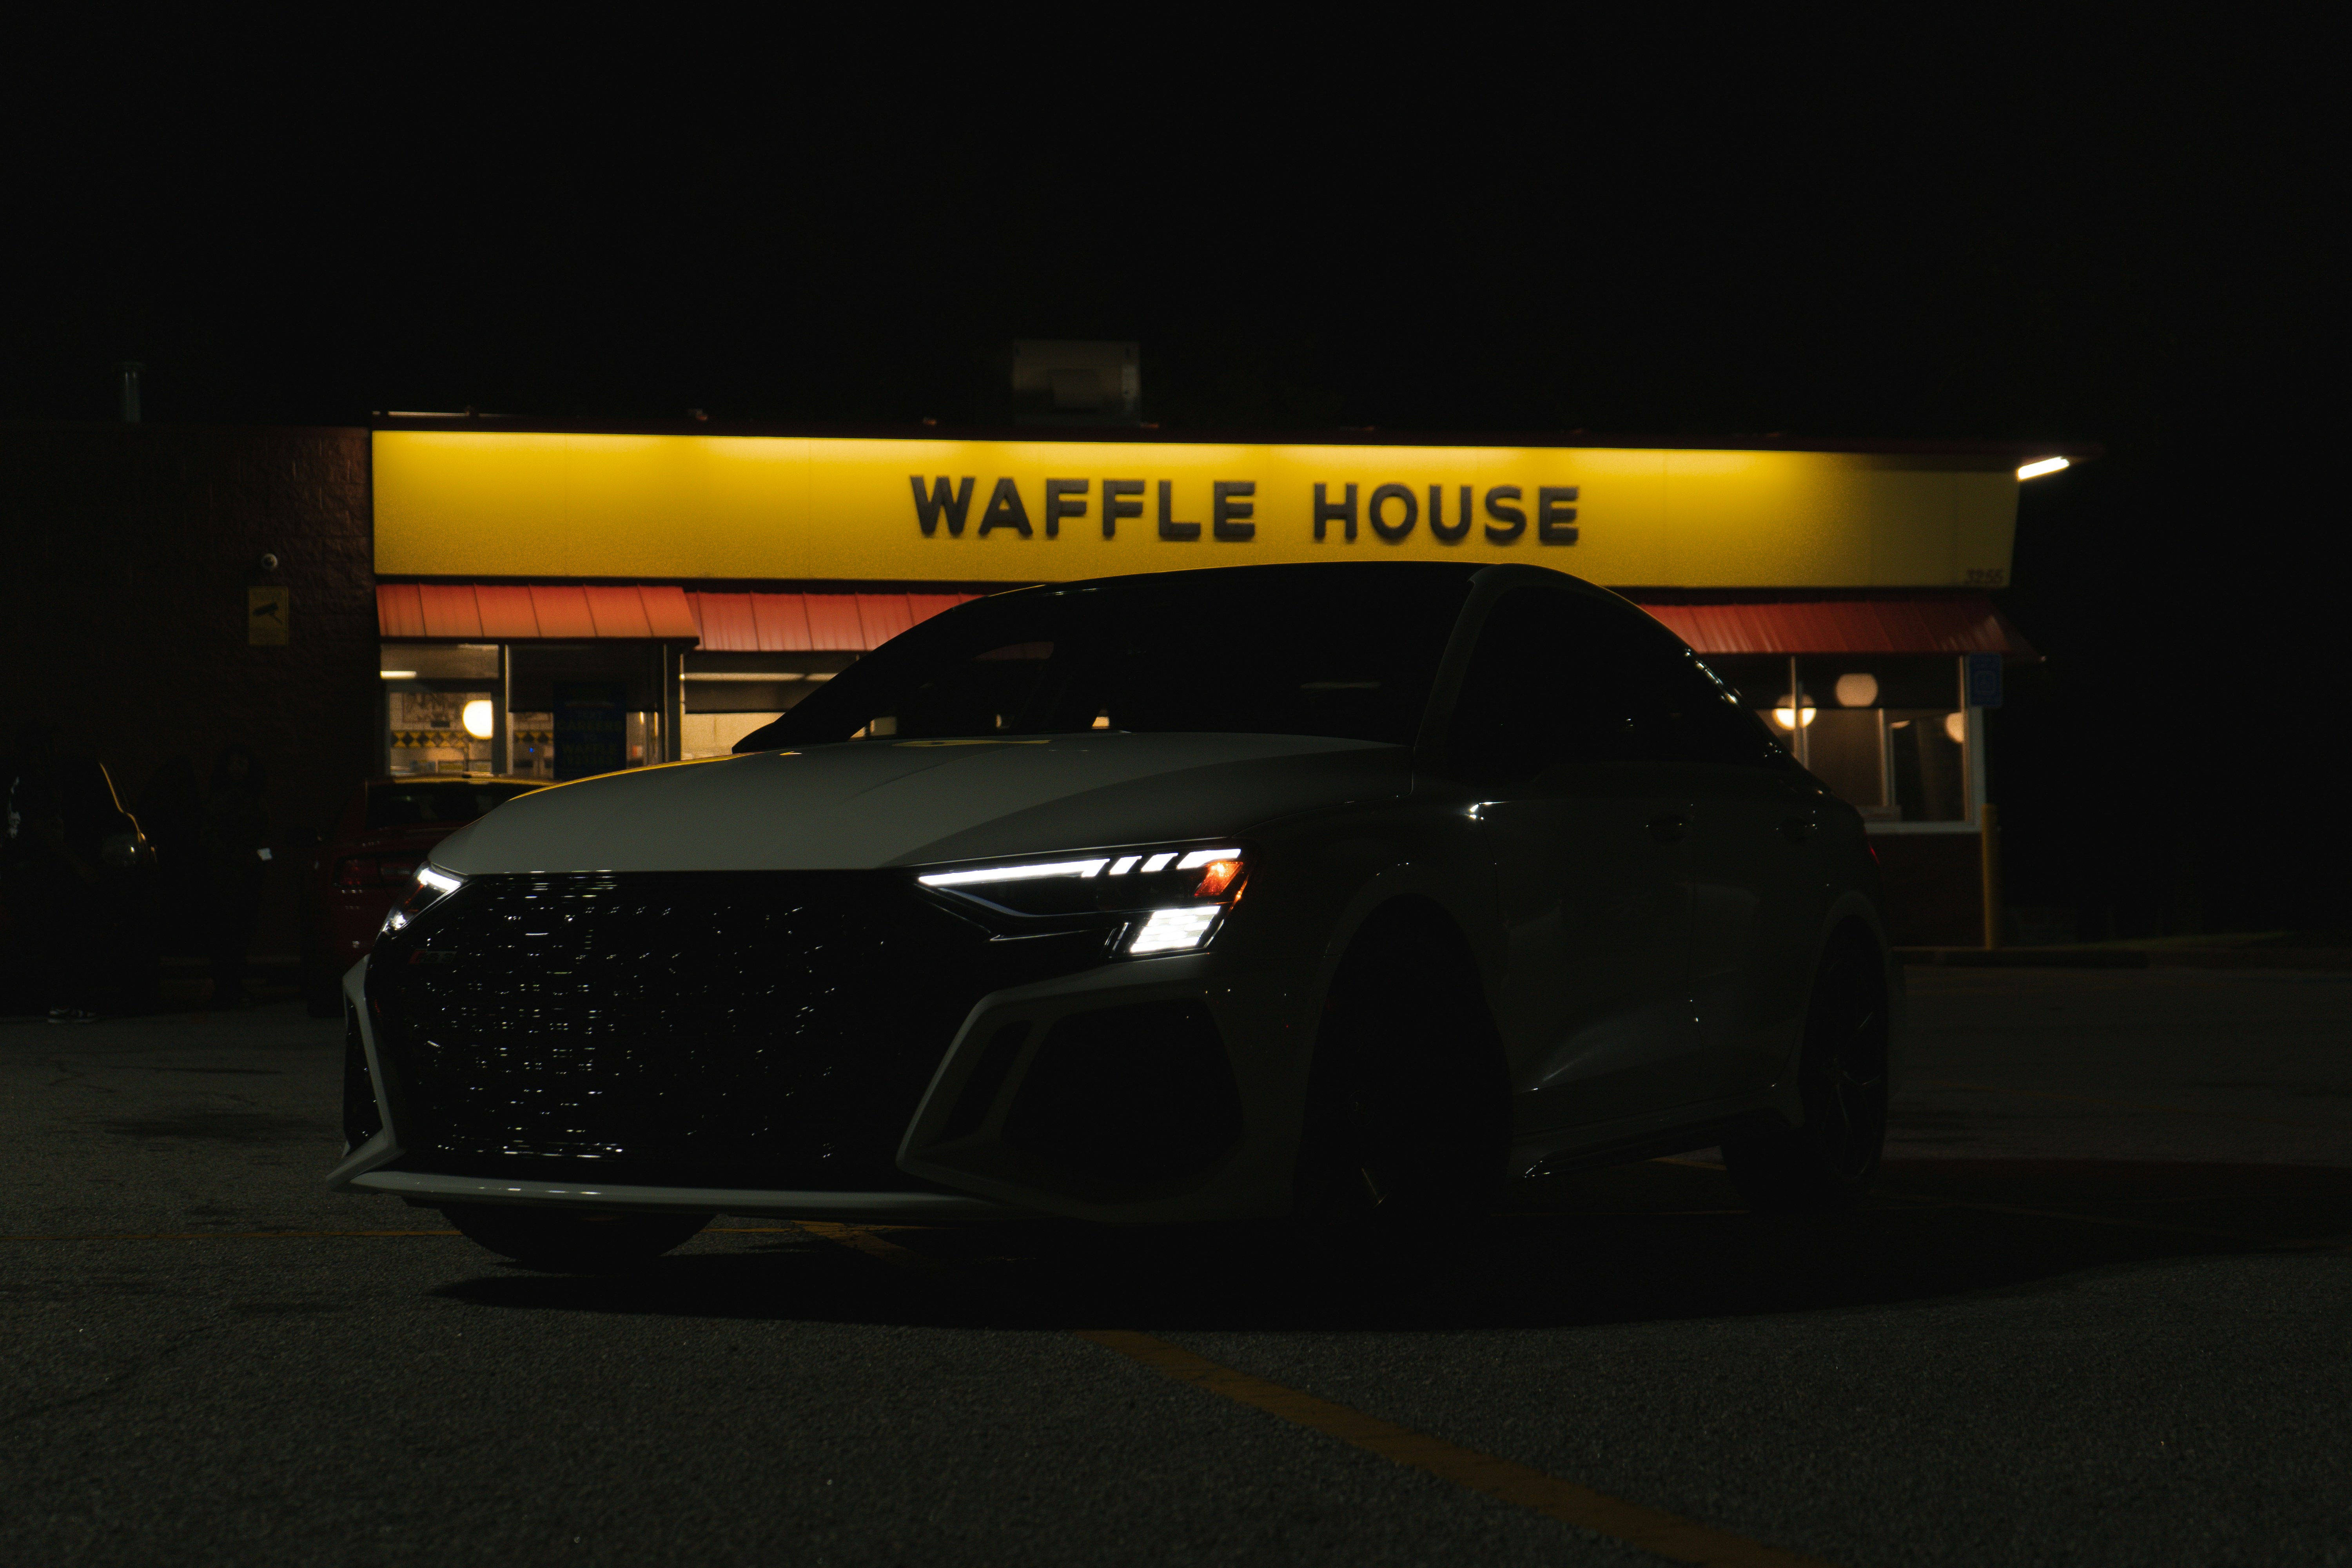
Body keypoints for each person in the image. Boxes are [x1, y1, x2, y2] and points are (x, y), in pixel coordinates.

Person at [2, 724, 104, 1023]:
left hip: (25, 867)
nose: (53, 753)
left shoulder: (22, 781)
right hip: (37, 868)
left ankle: (54, 1002)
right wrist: (77, 864)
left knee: (41, 937)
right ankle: (61, 1004)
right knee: (60, 933)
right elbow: (41, 828)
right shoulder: (33, 781)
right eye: (48, 747)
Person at [200, 743, 270, 1009]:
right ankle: (227, 989)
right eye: (234, 763)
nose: (239, 769)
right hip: (226, 880)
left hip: (249, 879)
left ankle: (233, 987)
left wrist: (263, 863)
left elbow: (265, 840)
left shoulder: (255, 800)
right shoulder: (221, 800)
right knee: (226, 937)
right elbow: (208, 840)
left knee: (241, 936)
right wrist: (241, 859)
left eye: (243, 763)